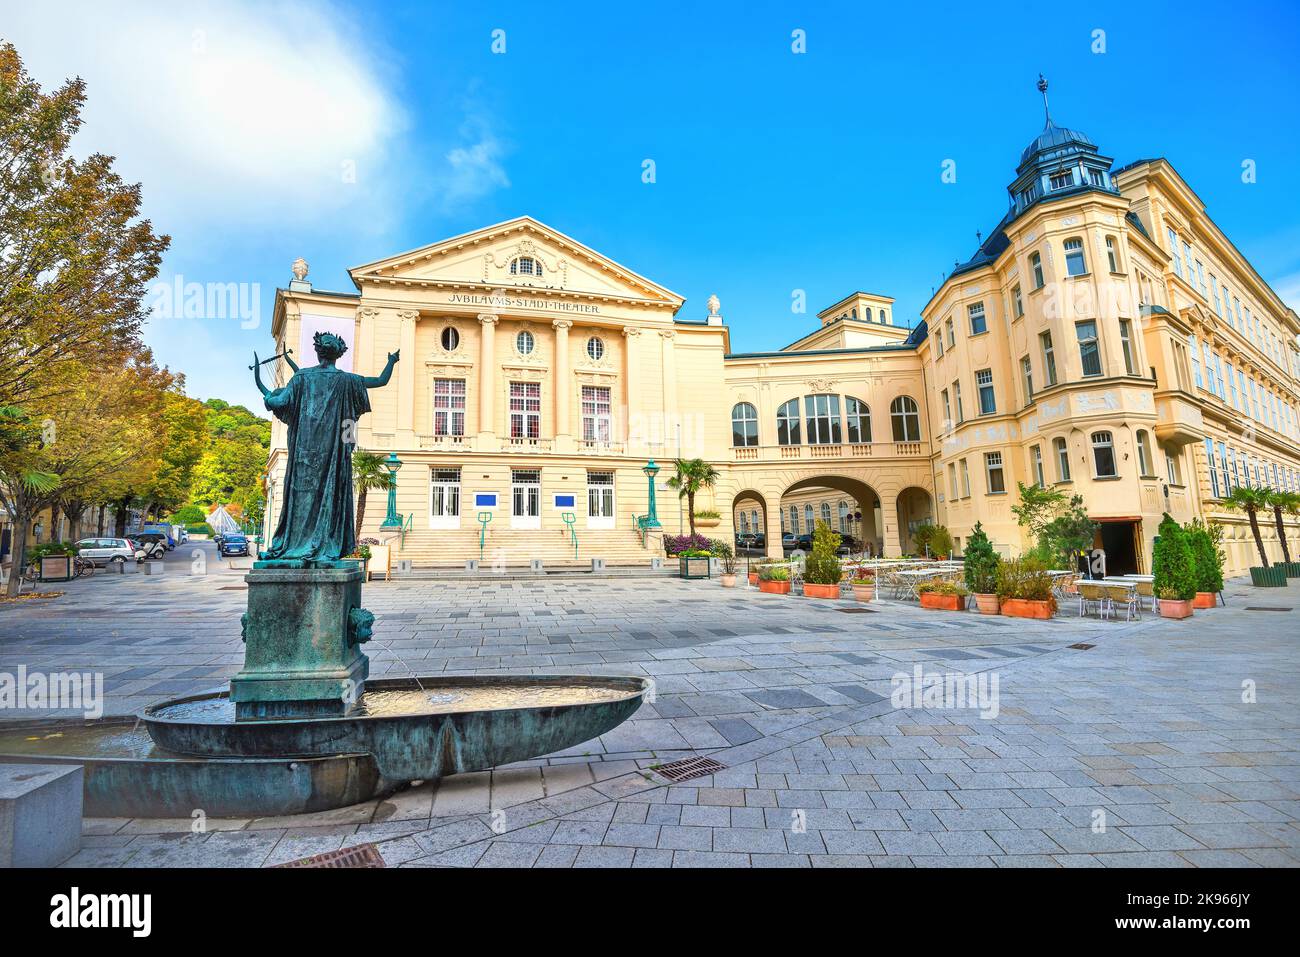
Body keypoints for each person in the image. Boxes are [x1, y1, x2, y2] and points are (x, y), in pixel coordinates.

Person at [252, 332, 398, 565]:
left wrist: (268, 396)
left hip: (304, 452)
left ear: (317, 351)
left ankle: (294, 545)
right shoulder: (348, 380)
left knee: (301, 498)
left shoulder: (301, 378)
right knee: (329, 497)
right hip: (333, 453)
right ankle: (323, 544)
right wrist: (391, 361)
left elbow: (279, 403)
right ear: (338, 355)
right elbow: (377, 385)